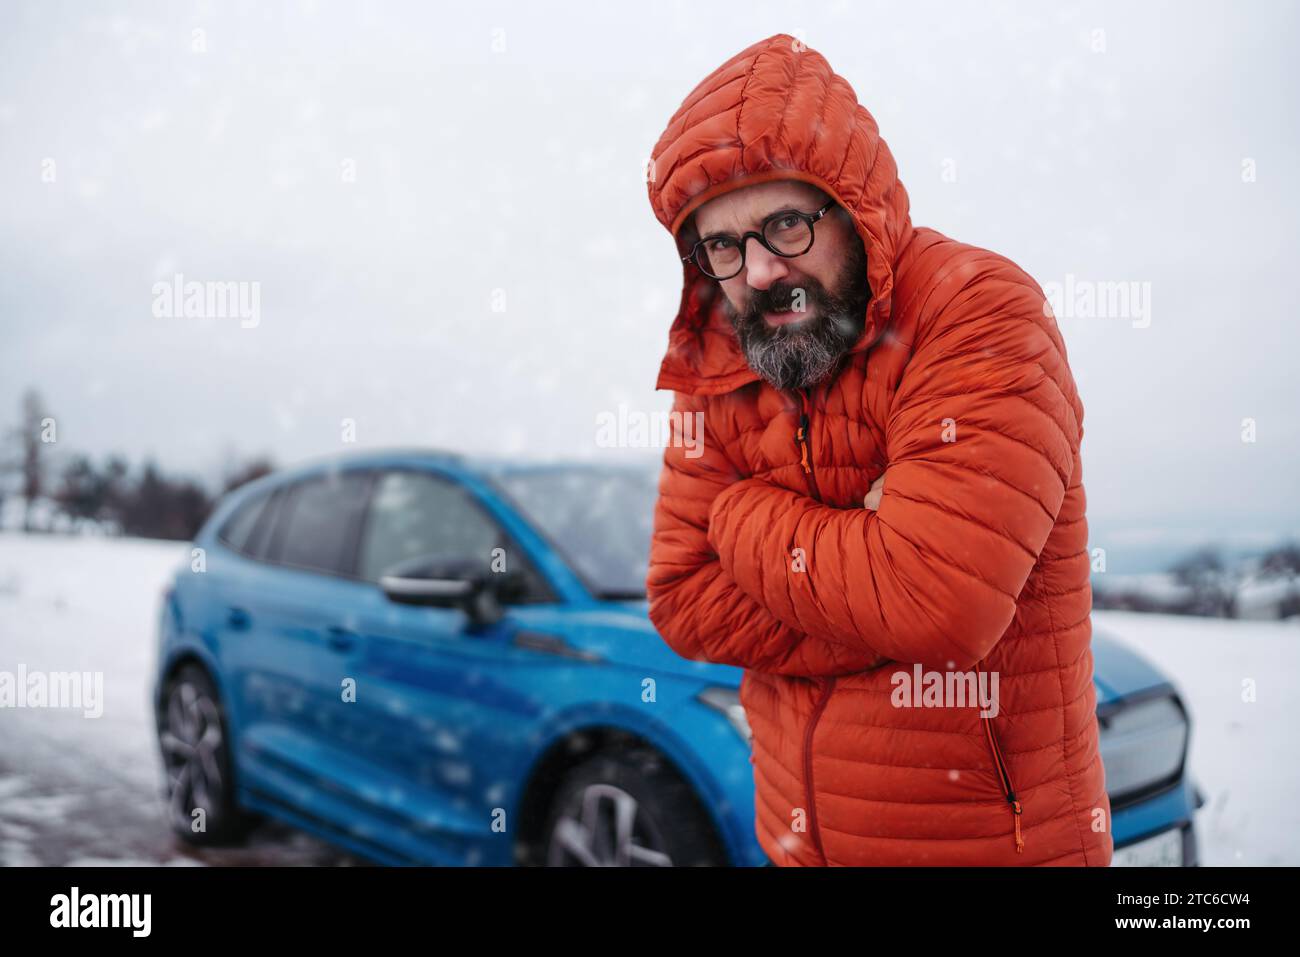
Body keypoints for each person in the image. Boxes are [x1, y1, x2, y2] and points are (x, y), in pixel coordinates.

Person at [644, 33, 1112, 866]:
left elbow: (937, 600)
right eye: (722, 245)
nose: (756, 272)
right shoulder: (722, 353)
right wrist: (871, 572)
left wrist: (743, 518)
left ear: (852, 206)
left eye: (785, 224)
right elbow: (682, 596)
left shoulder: (977, 310)